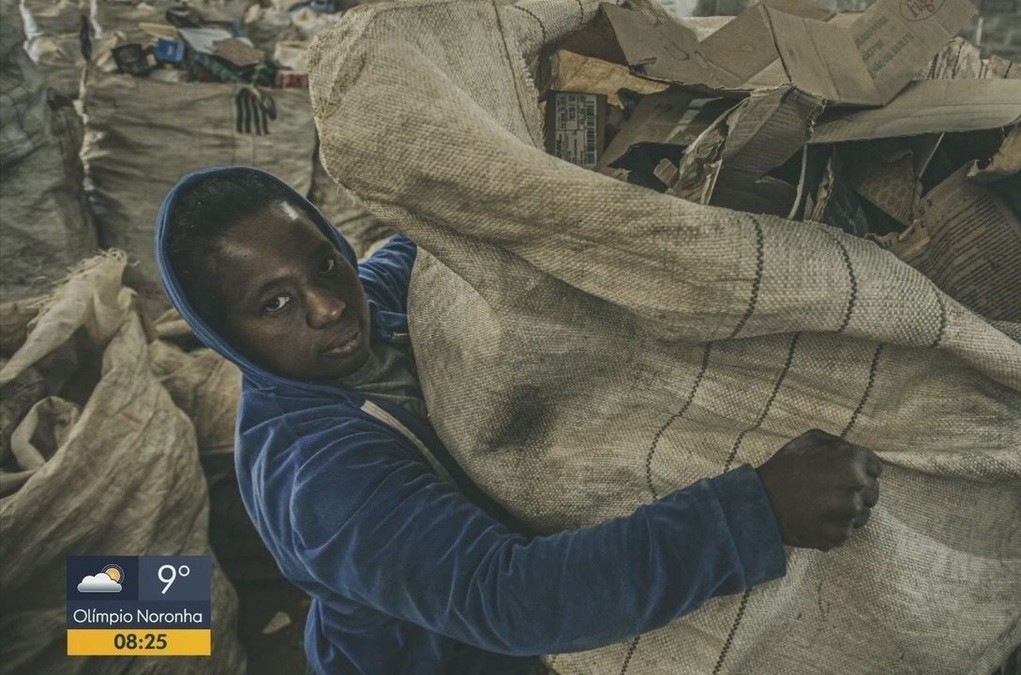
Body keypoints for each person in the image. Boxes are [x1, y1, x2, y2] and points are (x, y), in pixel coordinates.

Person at [154, 166, 884, 675]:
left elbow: (431, 247)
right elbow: (512, 595)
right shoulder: (319, 476)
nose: (328, 305)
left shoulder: (372, 306)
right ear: (228, 336)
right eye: (274, 304)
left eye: (322, 264)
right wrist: (754, 511)